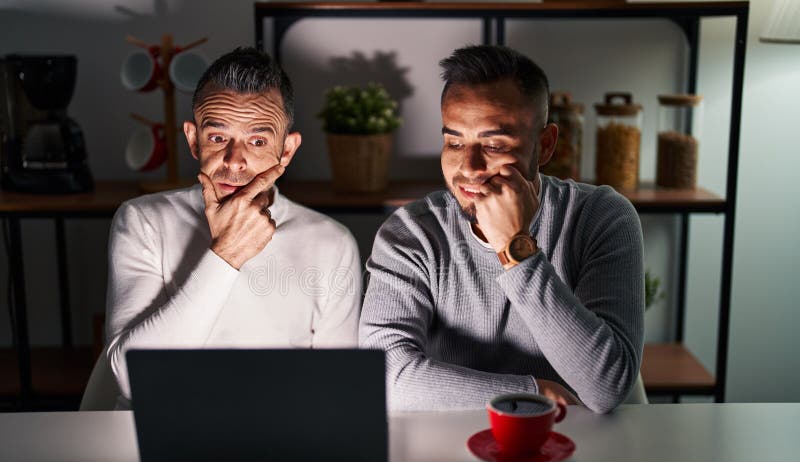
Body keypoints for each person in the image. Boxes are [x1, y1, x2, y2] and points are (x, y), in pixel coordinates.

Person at [359, 45, 644, 414]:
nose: (469, 166)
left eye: (494, 144)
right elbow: (382, 375)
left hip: (572, 443)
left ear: (544, 146)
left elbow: (606, 387)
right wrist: (527, 395)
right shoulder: (411, 234)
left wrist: (515, 249)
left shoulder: (602, 218)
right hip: (447, 449)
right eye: (454, 142)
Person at [104, 47, 361, 402]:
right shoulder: (141, 221)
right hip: (162, 432)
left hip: (281, 441)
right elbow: (132, 380)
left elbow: (338, 390)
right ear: (194, 140)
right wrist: (225, 255)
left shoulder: (332, 242)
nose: (234, 161)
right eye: (218, 137)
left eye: (257, 141)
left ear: (286, 151)